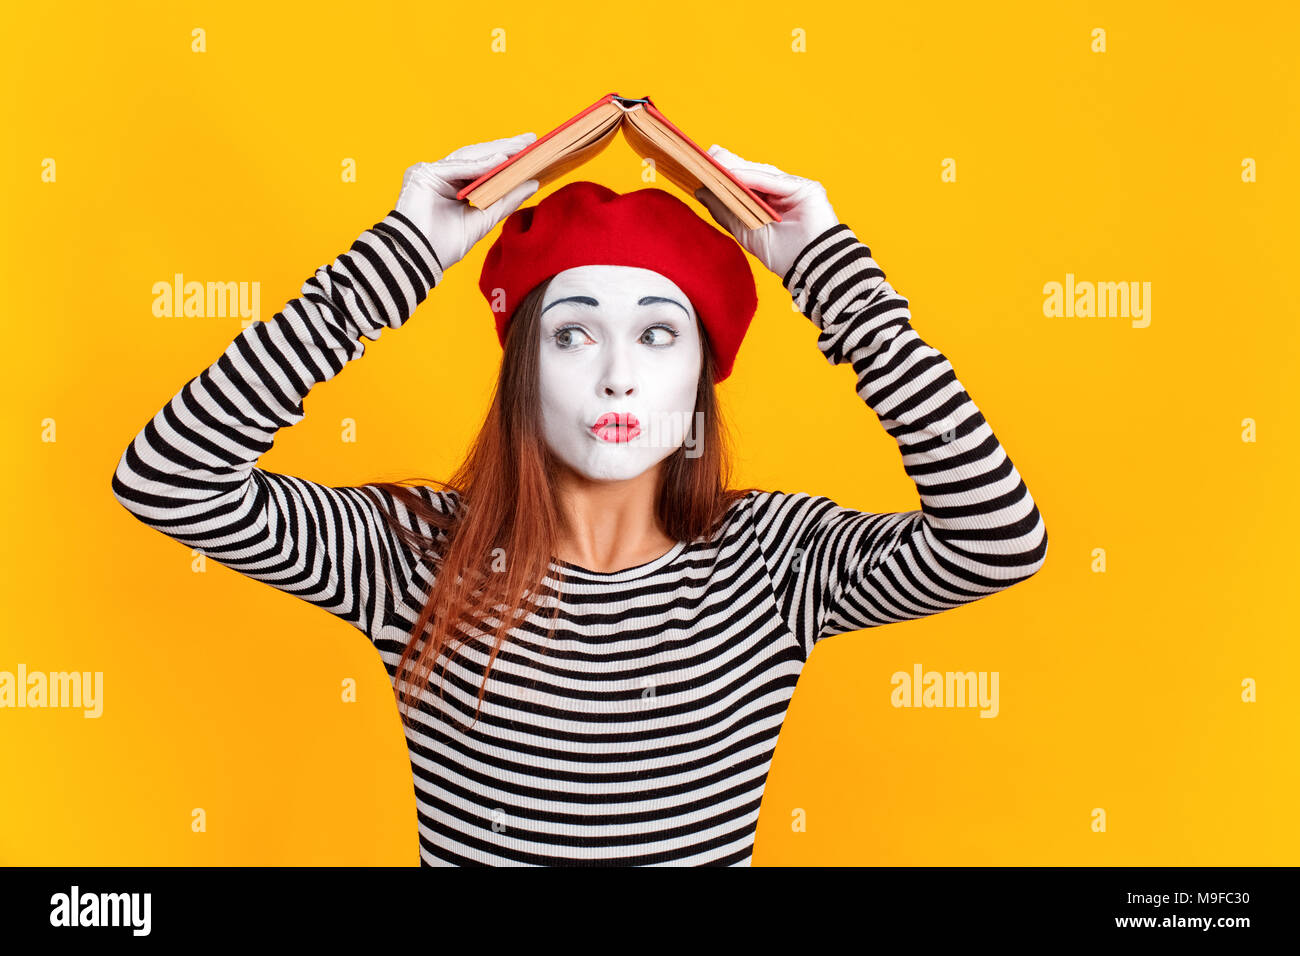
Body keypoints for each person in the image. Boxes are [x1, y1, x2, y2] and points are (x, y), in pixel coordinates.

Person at [112, 131, 1048, 866]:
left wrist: (834, 280)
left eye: (656, 336)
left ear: (700, 377)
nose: (616, 379)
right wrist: (395, 261)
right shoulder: (414, 555)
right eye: (569, 335)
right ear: (521, 366)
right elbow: (170, 477)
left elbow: (998, 539)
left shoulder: (776, 561)